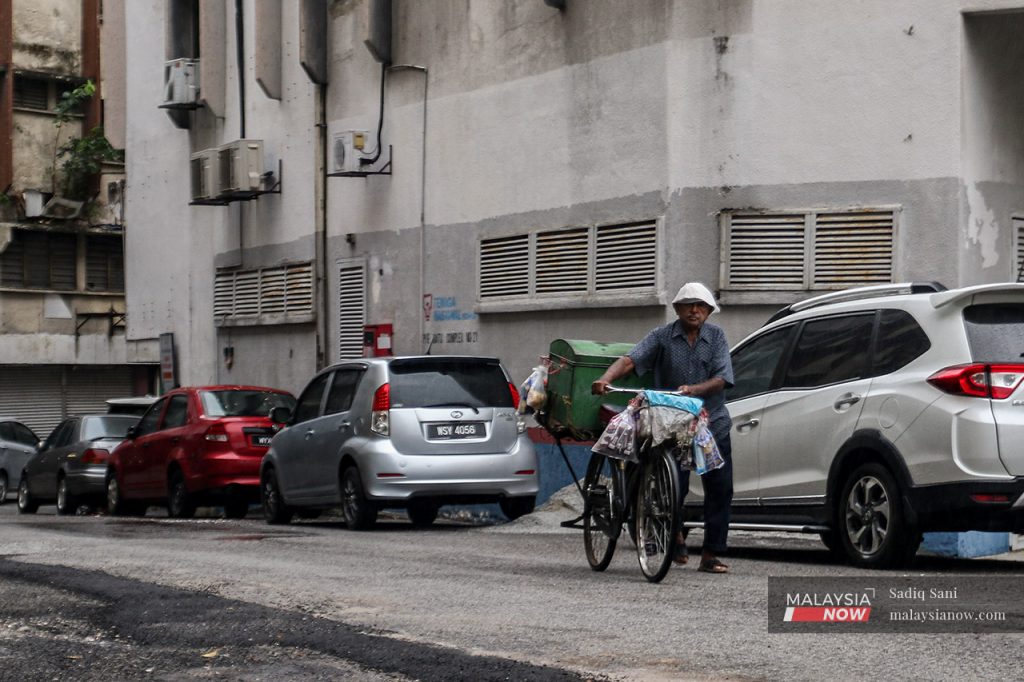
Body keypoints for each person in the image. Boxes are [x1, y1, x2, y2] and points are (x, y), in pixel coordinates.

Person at [591, 282, 734, 574]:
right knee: (672, 486)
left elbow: (721, 379)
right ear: (678, 309)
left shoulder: (716, 336)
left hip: (711, 423)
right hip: (672, 422)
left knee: (720, 488)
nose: (695, 310)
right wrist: (605, 378)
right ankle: (674, 537)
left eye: (701, 306)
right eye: (689, 305)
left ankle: (711, 554)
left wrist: (694, 389)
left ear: (708, 311)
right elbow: (631, 360)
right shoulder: (662, 336)